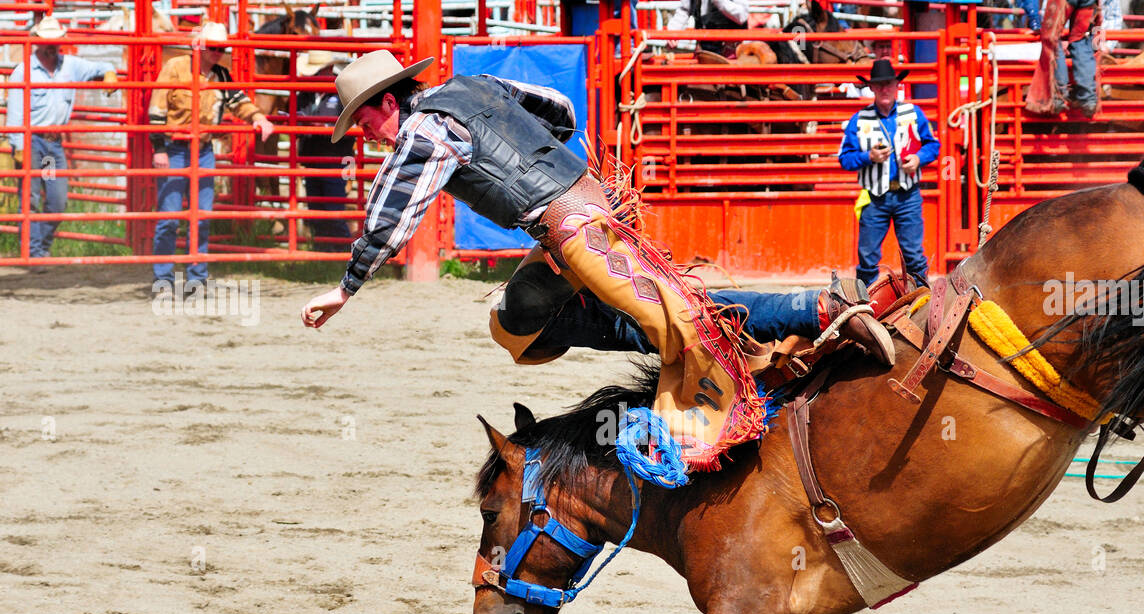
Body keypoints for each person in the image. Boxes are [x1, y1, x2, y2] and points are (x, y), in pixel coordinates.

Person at [298, 53, 883, 481]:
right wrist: (541, 158)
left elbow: (391, 215)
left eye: (364, 122)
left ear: (386, 102)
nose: (365, 135)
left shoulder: (423, 130)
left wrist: (345, 289)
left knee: (673, 321)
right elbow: (558, 110)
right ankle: (812, 310)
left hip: (573, 231)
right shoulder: (473, 85)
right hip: (587, 208)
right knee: (525, 321)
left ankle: (803, 323)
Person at [147, 21, 274, 296]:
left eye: (222, 48)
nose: (218, 52)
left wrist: (258, 117)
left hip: (203, 150)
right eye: (214, 47)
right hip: (174, 148)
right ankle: (163, 279)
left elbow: (239, 101)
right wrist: (158, 148)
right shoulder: (175, 68)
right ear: (200, 47)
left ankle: (197, 277)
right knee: (169, 217)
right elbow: (157, 108)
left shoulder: (221, 75)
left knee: (201, 217)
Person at [4, 16, 118, 259]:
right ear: (38, 43)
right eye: (48, 41)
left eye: (55, 41)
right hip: (32, 141)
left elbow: (103, 65)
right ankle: (33, 252)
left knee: (56, 201)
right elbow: (15, 111)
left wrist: (110, 73)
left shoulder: (70, 66)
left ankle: (36, 248)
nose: (51, 45)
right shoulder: (24, 71)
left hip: (52, 143)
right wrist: (19, 145)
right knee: (31, 199)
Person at [838, 59, 940, 287]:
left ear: (897, 86)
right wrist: (868, 157)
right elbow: (844, 159)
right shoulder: (859, 119)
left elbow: (933, 145)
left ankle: (921, 303)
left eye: (889, 84)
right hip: (874, 198)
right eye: (879, 85)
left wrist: (918, 158)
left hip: (908, 196)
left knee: (914, 257)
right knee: (867, 260)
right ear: (872, 88)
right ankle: (865, 308)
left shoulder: (913, 113)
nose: (884, 89)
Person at [295, 50, 354, 249]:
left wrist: (326, 128)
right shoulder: (305, 94)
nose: (313, 76)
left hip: (333, 158)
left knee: (334, 210)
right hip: (311, 157)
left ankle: (343, 253)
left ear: (328, 69)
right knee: (316, 210)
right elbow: (295, 117)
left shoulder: (343, 92)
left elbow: (350, 126)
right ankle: (323, 253)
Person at [665, 0, 749, 57]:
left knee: (730, 79)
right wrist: (673, 31)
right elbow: (685, 9)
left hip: (730, 50)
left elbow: (742, 16)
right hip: (705, 49)